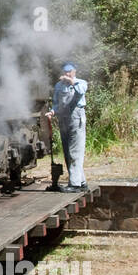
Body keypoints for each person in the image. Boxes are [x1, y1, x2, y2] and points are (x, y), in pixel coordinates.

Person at [44, 62, 88, 191]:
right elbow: (57, 103)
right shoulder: (59, 86)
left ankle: (74, 184)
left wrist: (71, 81)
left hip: (76, 119)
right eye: (65, 72)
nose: (67, 74)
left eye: (70, 72)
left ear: (75, 72)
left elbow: (81, 91)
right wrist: (52, 111)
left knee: (75, 152)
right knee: (68, 152)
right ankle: (82, 182)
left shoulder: (81, 83)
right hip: (63, 119)